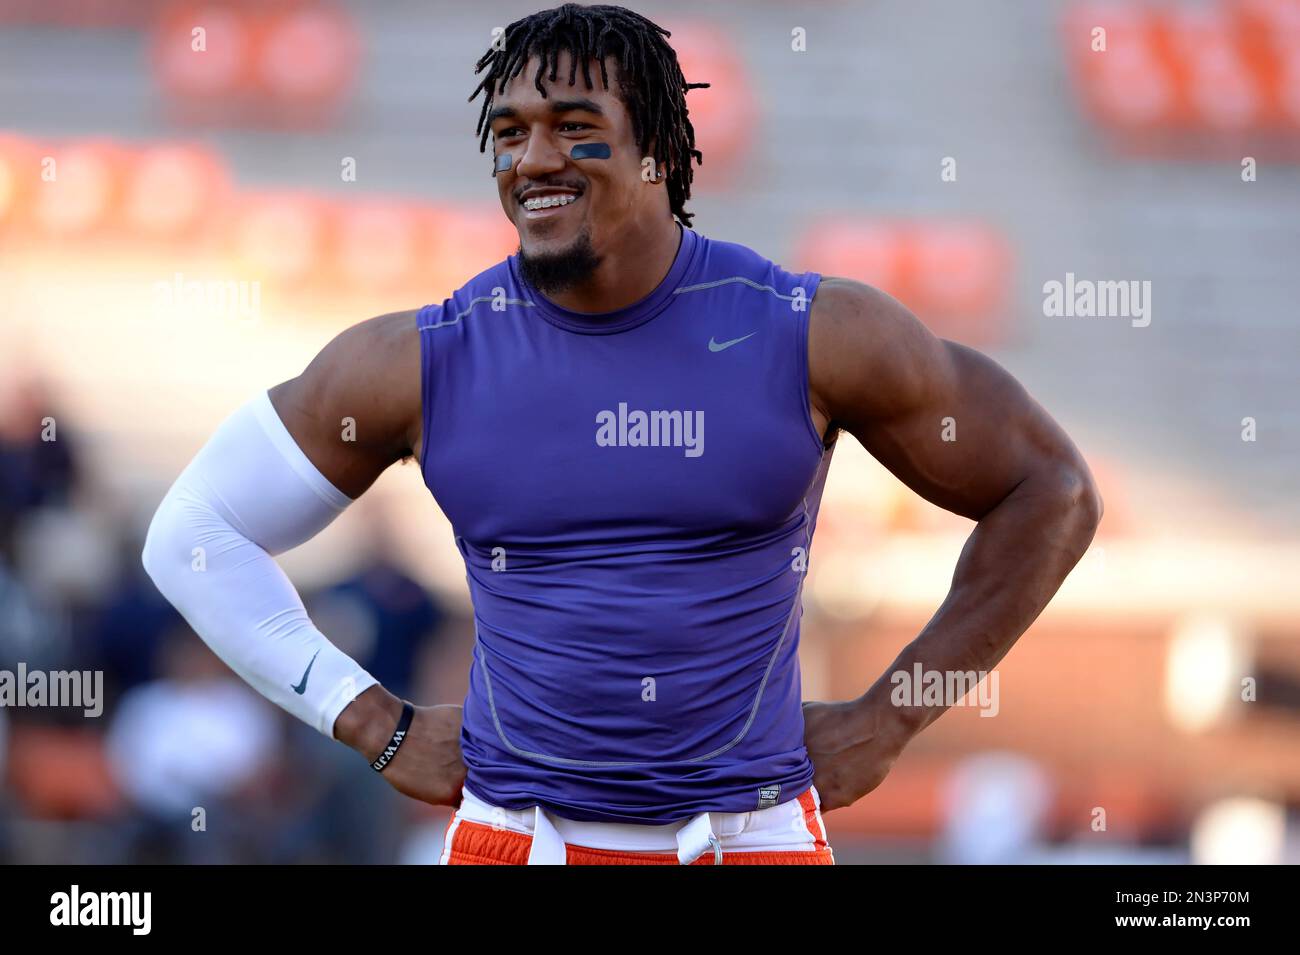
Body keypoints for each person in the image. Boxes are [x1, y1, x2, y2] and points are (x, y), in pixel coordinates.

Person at [143, 3, 1102, 865]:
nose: (534, 159)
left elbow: (1049, 491)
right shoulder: (421, 357)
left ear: (662, 157)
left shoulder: (812, 331)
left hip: (749, 835)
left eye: (575, 129)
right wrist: (367, 720)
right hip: (517, 837)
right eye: (510, 132)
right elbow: (193, 533)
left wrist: (894, 717)